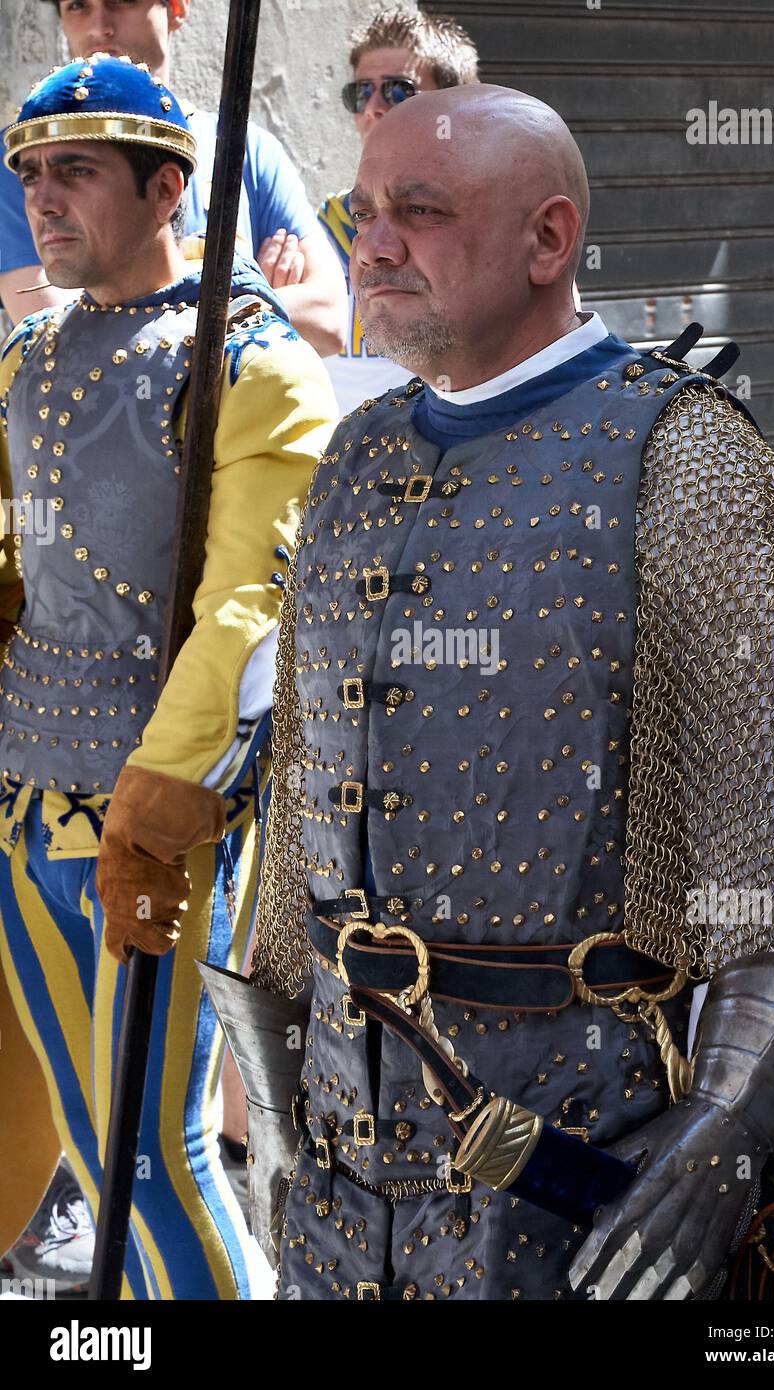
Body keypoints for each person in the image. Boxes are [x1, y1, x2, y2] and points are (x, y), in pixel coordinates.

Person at [245, 83, 774, 1301]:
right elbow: (295, 856)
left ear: (548, 240)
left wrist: (723, 1143)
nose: (370, 243)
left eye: (418, 210)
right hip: (337, 1178)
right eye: (359, 208)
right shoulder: (356, 458)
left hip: (568, 1185)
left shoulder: (682, 464)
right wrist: (275, 1108)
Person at [0, 54, 337, 1298]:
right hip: (19, 789)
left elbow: (252, 609)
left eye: (75, 171)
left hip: (155, 813)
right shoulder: (30, 356)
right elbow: (17, 542)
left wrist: (161, 797)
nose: (43, 198)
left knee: (155, 1148)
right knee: (94, 1151)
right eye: (32, 174)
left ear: (166, 187)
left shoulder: (248, 361)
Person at [0, 0, 347, 358]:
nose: (99, 25)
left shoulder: (248, 148)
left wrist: (139, 312)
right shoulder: (28, 157)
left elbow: (329, 319)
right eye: (78, 6)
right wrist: (251, 299)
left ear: (177, 8)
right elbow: (59, 336)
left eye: (122, 2)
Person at [318, 8, 478, 414]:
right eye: (360, 92)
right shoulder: (319, 228)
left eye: (397, 90)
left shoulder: (494, 219)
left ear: (453, 104)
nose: (373, 107)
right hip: (348, 465)